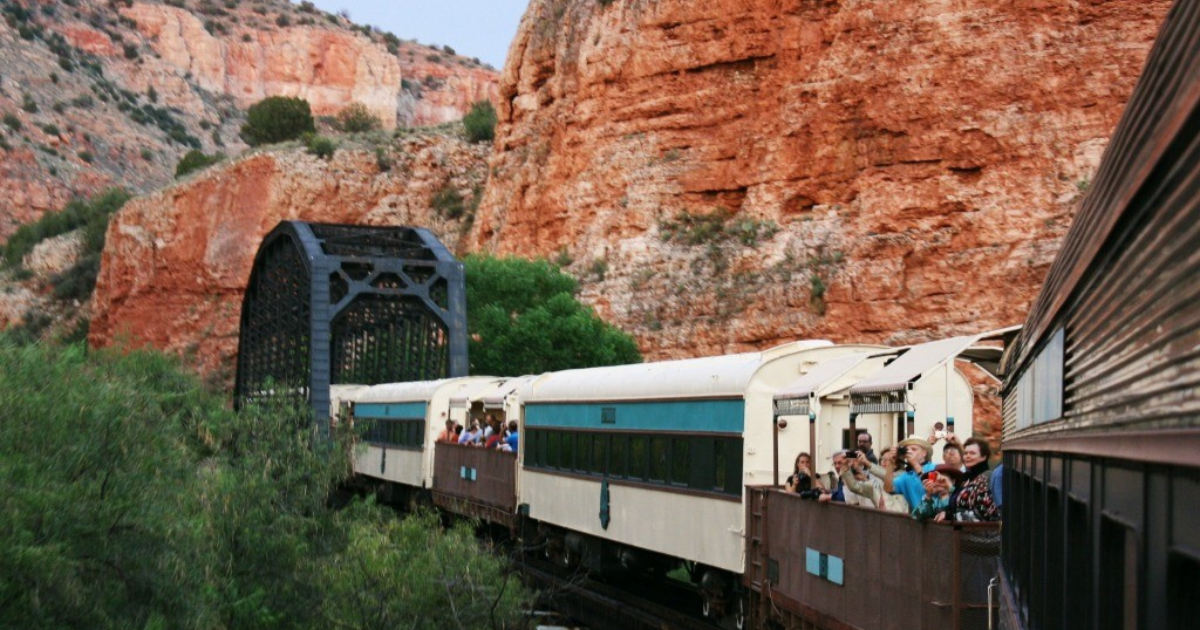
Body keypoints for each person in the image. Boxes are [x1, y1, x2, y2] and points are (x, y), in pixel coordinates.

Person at [948, 438, 1000, 522]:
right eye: (965, 453)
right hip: (962, 533)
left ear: (984, 456)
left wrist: (950, 516)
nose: (967, 456)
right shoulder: (965, 478)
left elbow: (985, 513)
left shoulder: (987, 478)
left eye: (972, 453)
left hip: (982, 533)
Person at [885, 437, 937, 512]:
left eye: (914, 449)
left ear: (924, 453)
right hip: (918, 519)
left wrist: (915, 464)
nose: (909, 452)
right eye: (907, 449)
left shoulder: (935, 468)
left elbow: (932, 488)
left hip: (938, 518)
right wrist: (891, 464)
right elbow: (888, 489)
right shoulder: (906, 475)